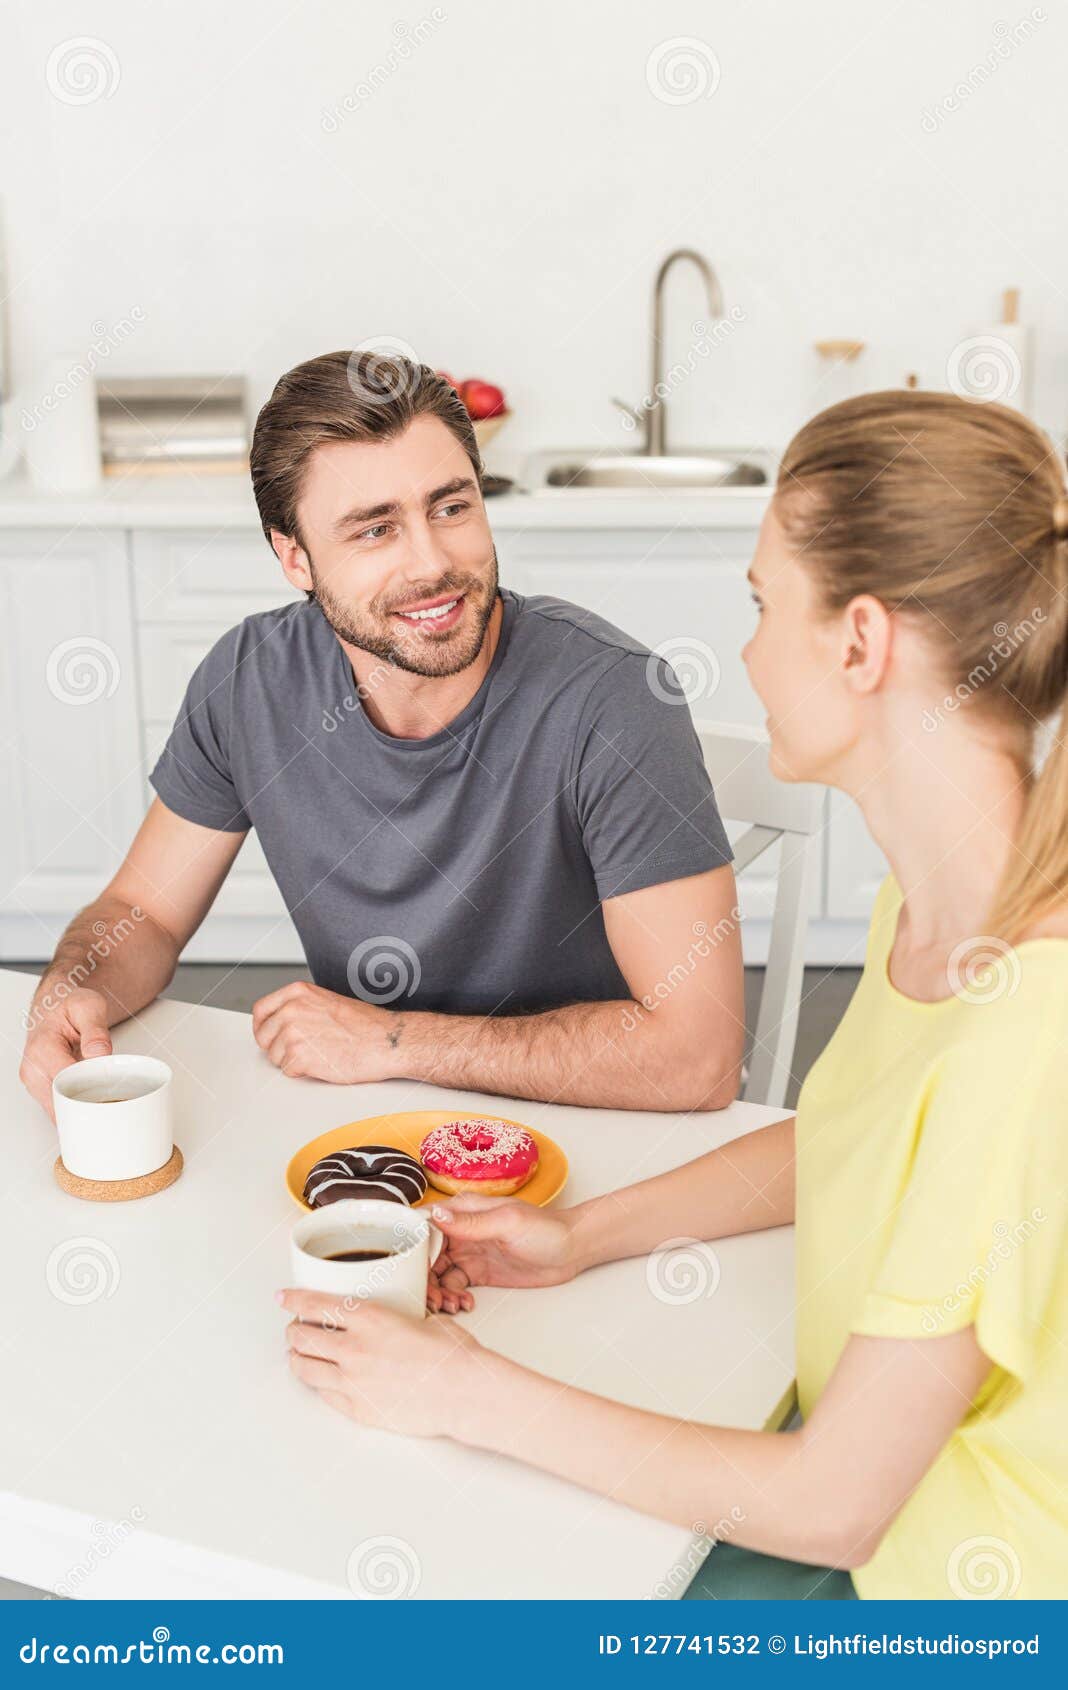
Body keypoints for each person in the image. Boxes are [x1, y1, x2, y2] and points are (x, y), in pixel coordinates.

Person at [279, 389, 1068, 1600]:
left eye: (763, 606)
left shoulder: (1029, 1023)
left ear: (861, 642)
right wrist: (580, 1236)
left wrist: (465, 1390)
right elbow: (854, 1142)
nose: (746, 651)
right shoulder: (937, 920)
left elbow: (836, 1506)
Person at [19, 352, 743, 1121]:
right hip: (361, 1121)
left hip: (582, 1124)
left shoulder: (614, 700)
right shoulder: (250, 679)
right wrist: (74, 990)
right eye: (375, 530)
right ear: (293, 557)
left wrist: (392, 1042)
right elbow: (146, 911)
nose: (432, 563)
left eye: (452, 508)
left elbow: (697, 1060)